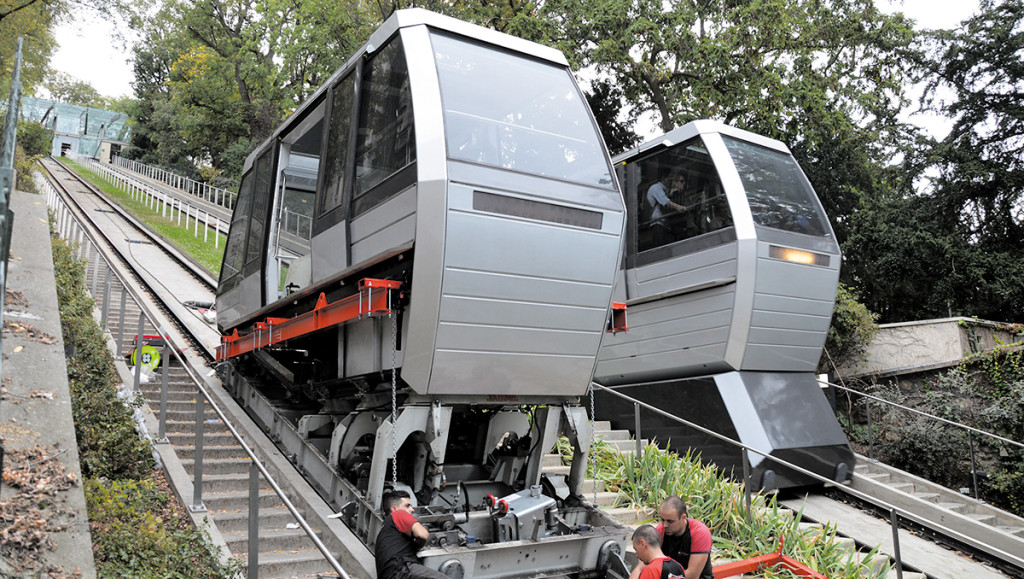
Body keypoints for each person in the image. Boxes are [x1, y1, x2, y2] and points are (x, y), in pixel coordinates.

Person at [374, 490, 448, 579]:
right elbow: (423, 534)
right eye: (407, 506)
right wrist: (418, 545)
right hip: (401, 569)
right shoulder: (398, 514)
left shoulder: (385, 532)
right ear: (394, 509)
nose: (412, 510)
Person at [655, 496, 714, 579]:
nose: (665, 525)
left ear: (683, 517)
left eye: (670, 521)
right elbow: (642, 566)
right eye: (662, 520)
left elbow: (693, 575)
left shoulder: (699, 532)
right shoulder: (660, 530)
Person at [645, 169, 687, 246]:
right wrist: (678, 207)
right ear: (663, 178)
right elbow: (665, 201)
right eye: (669, 179)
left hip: (666, 224)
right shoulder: (656, 188)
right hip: (658, 223)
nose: (670, 181)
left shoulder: (666, 190)